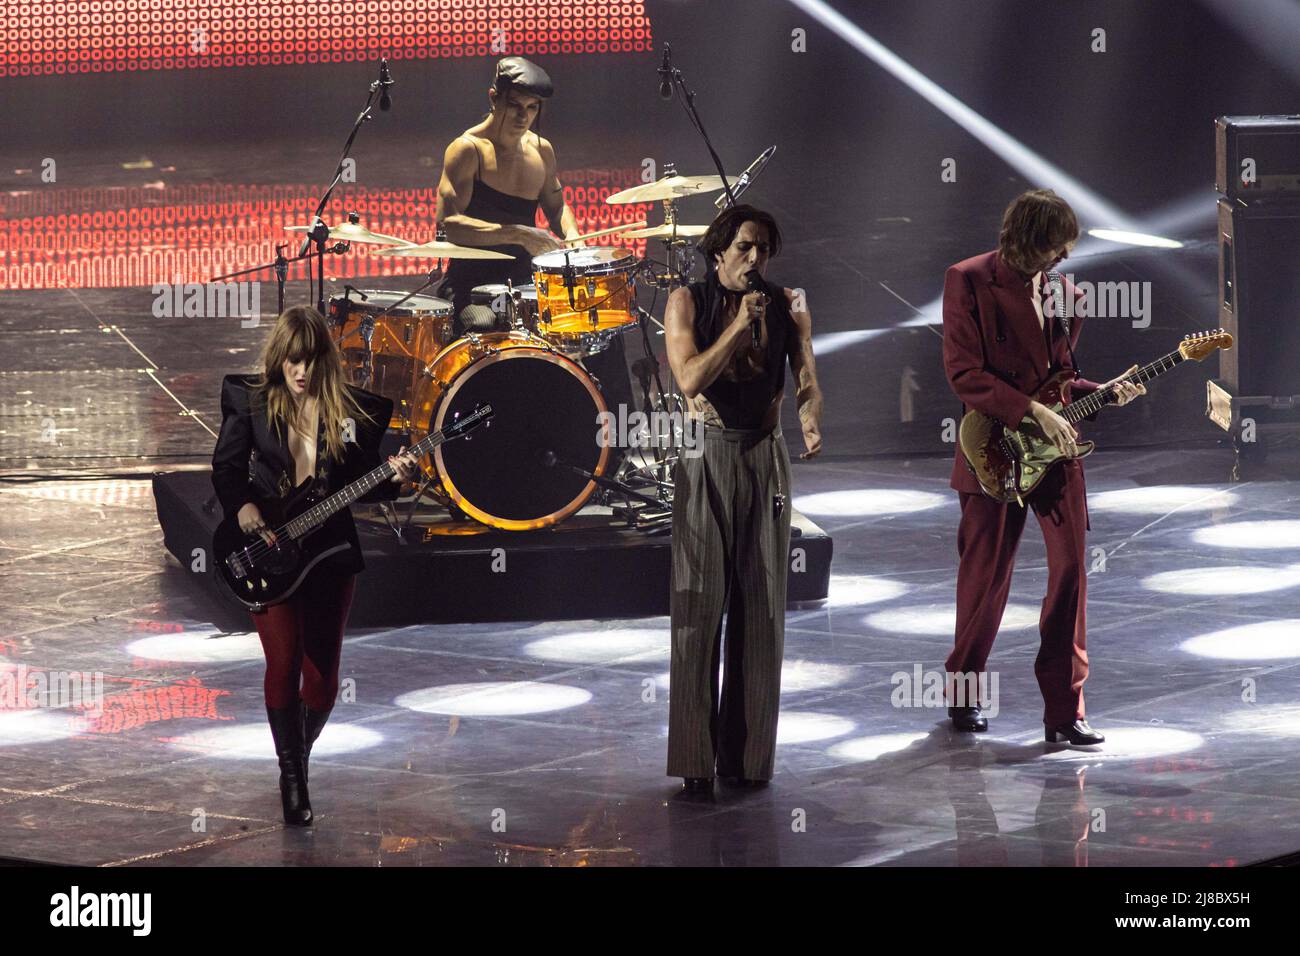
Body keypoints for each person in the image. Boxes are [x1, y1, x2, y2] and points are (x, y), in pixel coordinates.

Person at [941, 188, 1144, 745]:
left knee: (1072, 573)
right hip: (991, 450)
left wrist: (1101, 391)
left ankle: (1065, 711)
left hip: (1056, 455)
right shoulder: (969, 280)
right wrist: (1029, 409)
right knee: (985, 579)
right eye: (1056, 247)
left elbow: (1058, 382)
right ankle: (963, 696)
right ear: (1029, 239)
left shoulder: (1068, 296)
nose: (1064, 259)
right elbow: (964, 374)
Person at [211, 306, 418, 825]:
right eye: (292, 362)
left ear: (325, 361)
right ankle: (292, 778)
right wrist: (242, 505)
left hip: (328, 553)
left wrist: (397, 478)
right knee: (282, 664)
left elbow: (367, 483)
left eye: (310, 362)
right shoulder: (251, 403)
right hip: (269, 550)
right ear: (280, 361)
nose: (301, 373)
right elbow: (226, 467)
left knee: (323, 679)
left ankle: (298, 753)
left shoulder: (353, 414)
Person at [663, 204, 823, 795]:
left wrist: (810, 413)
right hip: (707, 454)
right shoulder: (687, 301)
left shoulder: (789, 304)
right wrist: (735, 326)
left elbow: (806, 371)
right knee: (699, 604)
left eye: (763, 251)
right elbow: (689, 380)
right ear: (718, 250)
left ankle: (749, 759)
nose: (755, 261)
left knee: (763, 607)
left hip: (764, 452)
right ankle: (695, 763)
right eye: (745, 248)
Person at [434, 55, 576, 324]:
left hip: (524, 284)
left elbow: (557, 207)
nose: (524, 116)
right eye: (514, 105)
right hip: (472, 287)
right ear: (493, 98)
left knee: (589, 320)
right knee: (489, 325)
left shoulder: (541, 150)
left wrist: (573, 235)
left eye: (532, 107)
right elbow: (445, 227)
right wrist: (518, 234)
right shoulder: (468, 150)